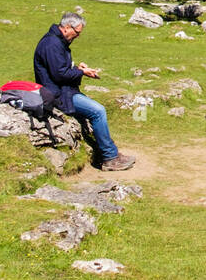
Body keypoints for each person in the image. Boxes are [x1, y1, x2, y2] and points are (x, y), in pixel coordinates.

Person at [33, 12, 135, 172]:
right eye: (77, 32)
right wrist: (82, 73)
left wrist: (77, 69)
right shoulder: (52, 44)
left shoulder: (57, 41)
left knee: (94, 112)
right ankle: (110, 158)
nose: (78, 36)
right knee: (98, 111)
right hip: (58, 94)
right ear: (67, 28)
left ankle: (109, 151)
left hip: (63, 90)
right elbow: (59, 75)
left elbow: (60, 70)